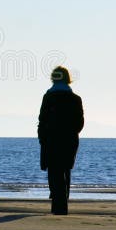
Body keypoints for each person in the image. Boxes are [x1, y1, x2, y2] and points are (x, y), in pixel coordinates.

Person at [37, 66, 84, 215]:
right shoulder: (75, 99)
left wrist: (42, 137)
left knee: (54, 171)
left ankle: (58, 205)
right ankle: (62, 204)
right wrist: (72, 132)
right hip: (69, 140)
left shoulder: (48, 97)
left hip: (51, 139)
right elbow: (80, 123)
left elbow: (42, 119)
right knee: (65, 170)